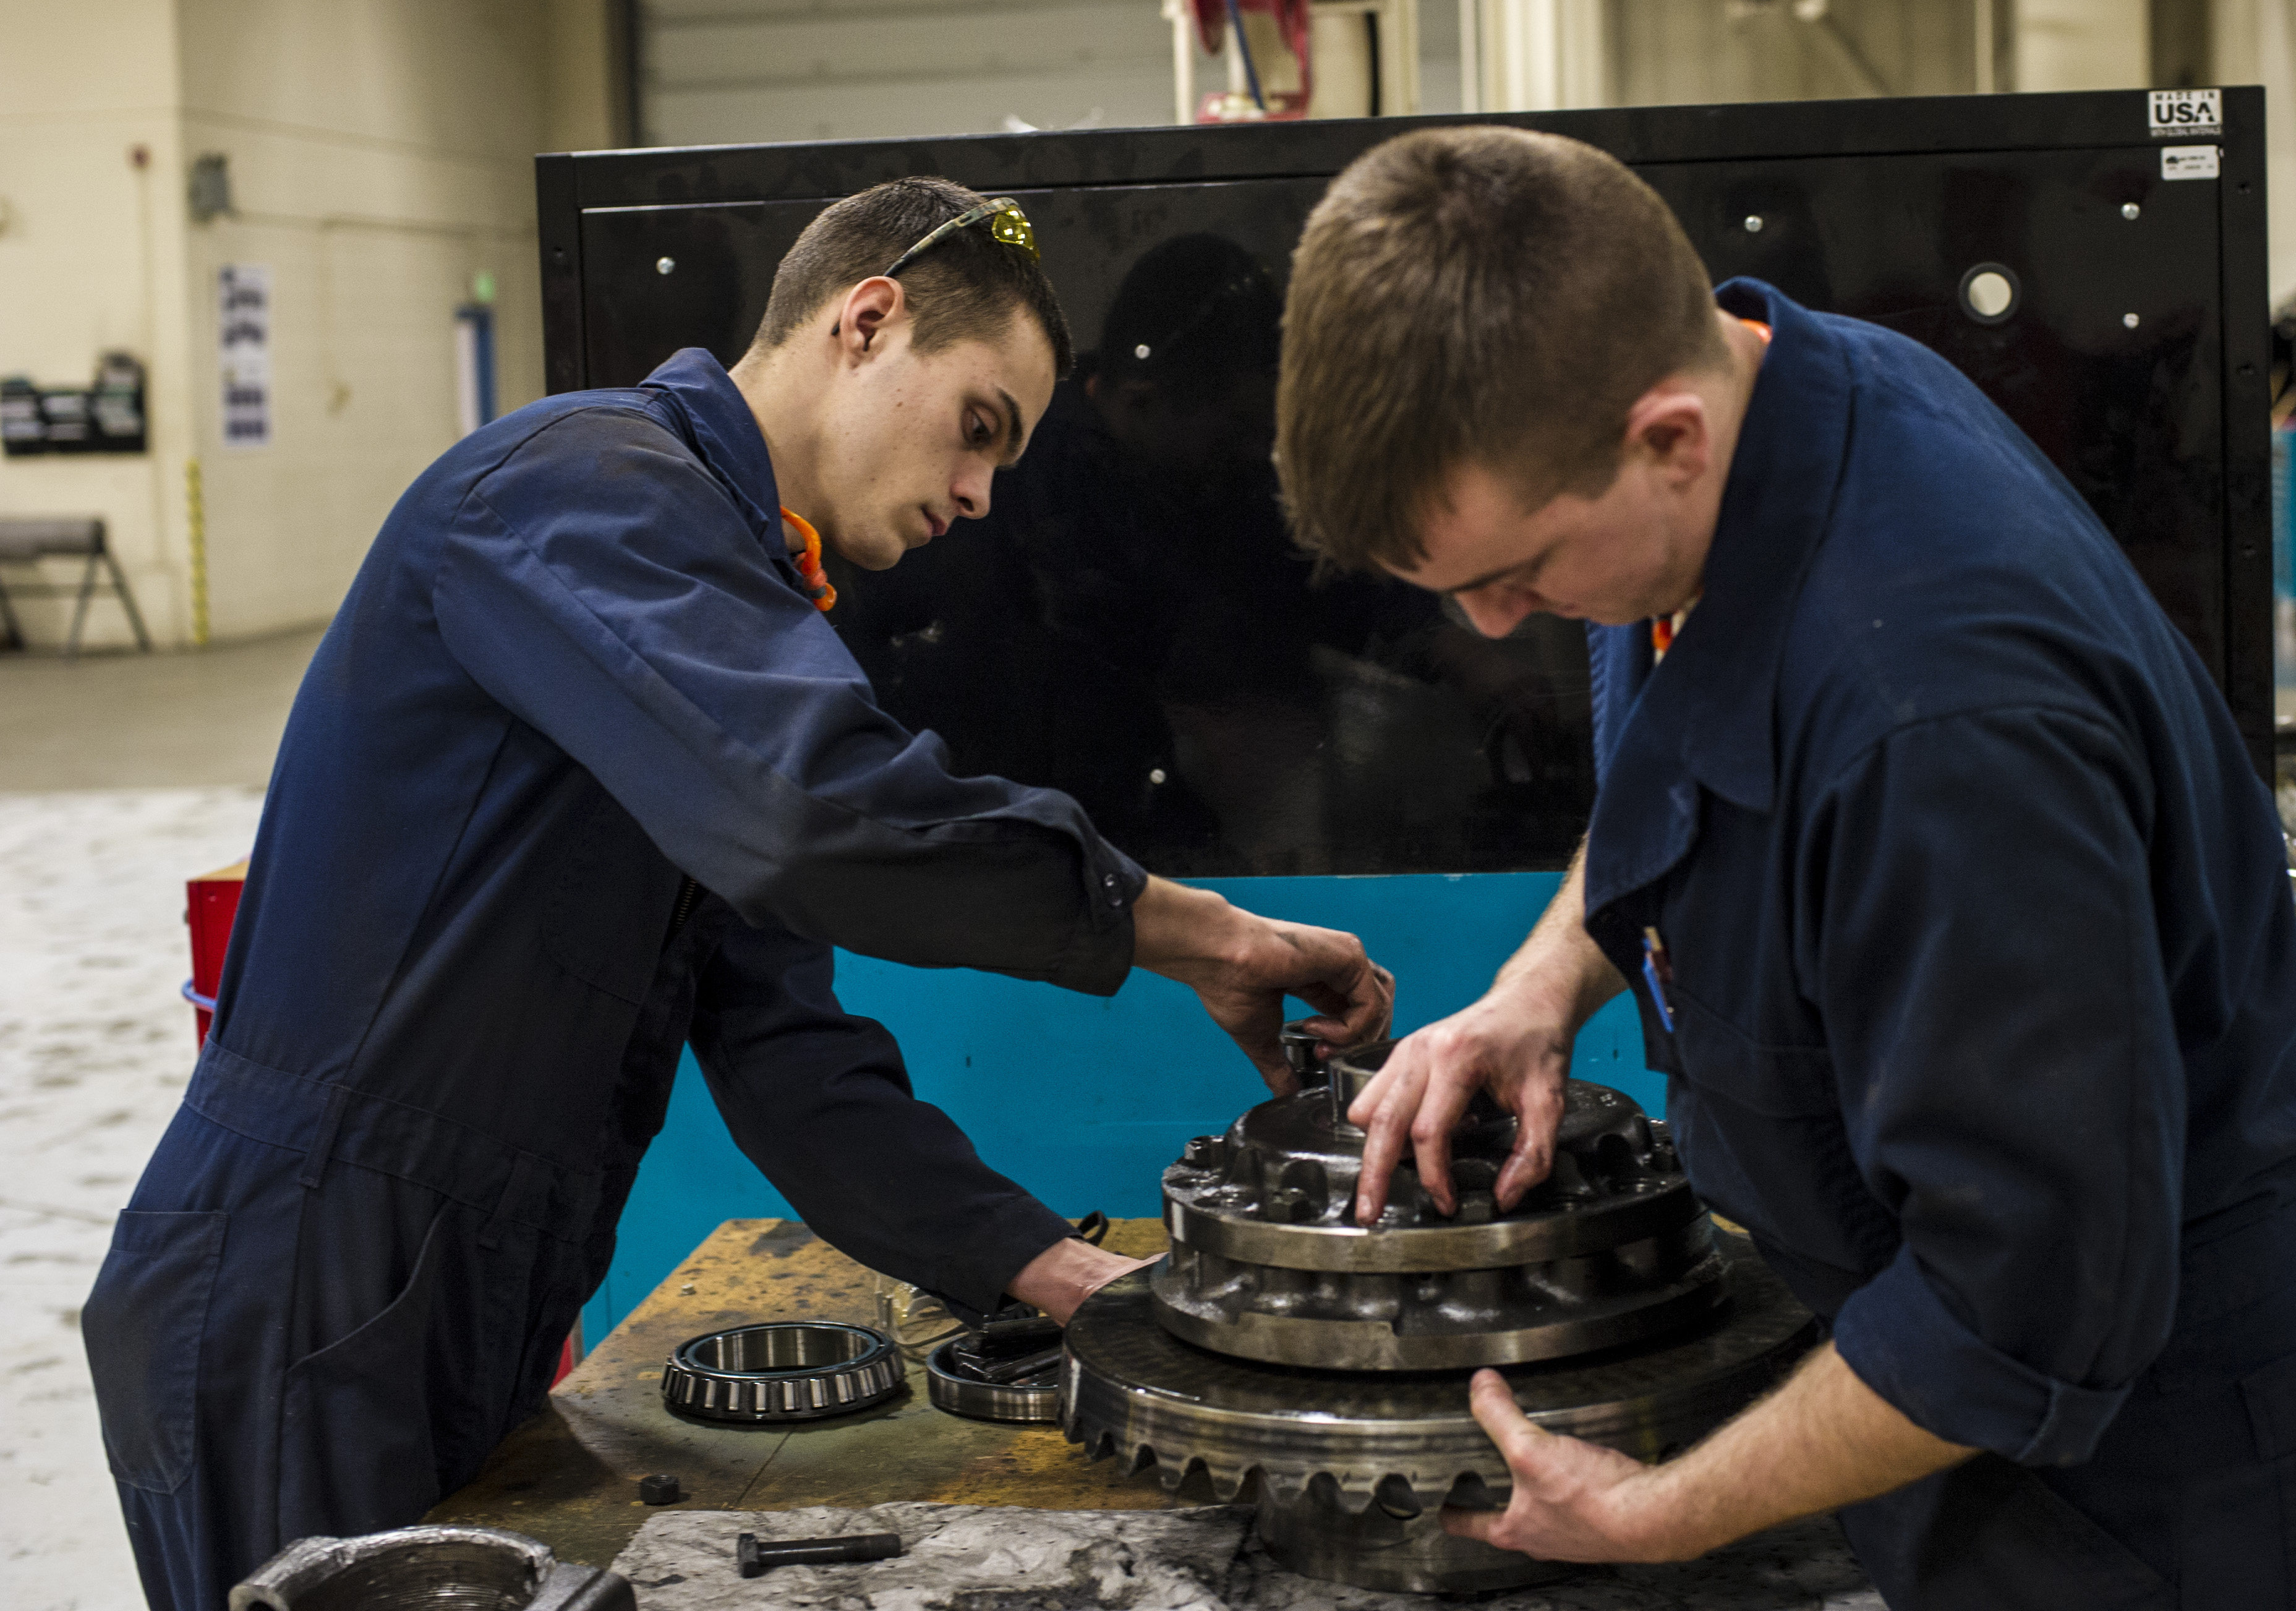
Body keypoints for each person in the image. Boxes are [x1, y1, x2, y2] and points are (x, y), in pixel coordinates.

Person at [85, 176, 1393, 1611]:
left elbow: (787, 1053)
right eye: (977, 428)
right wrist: (1200, 935)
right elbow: (809, 817)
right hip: (307, 1281)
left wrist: (1059, 1279)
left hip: (450, 1288)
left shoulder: (727, 595)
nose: (979, 494)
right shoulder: (578, 494)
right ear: (867, 319)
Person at [1270, 126, 2296, 1610]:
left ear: (1668, 435)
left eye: (1519, 572)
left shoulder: (1941, 723)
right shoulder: (1775, 397)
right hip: (1978, 1426)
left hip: (2168, 1493)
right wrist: (1542, 984)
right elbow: (1687, 756)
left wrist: (1657, 1513)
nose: (1496, 625)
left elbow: (2019, 1314)